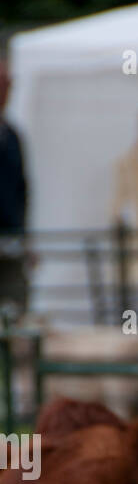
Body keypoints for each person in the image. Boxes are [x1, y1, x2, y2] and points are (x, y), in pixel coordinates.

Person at [0, 58, 28, 317]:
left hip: (11, 243)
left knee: (16, 313)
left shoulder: (13, 135)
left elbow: (22, 190)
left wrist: (25, 236)